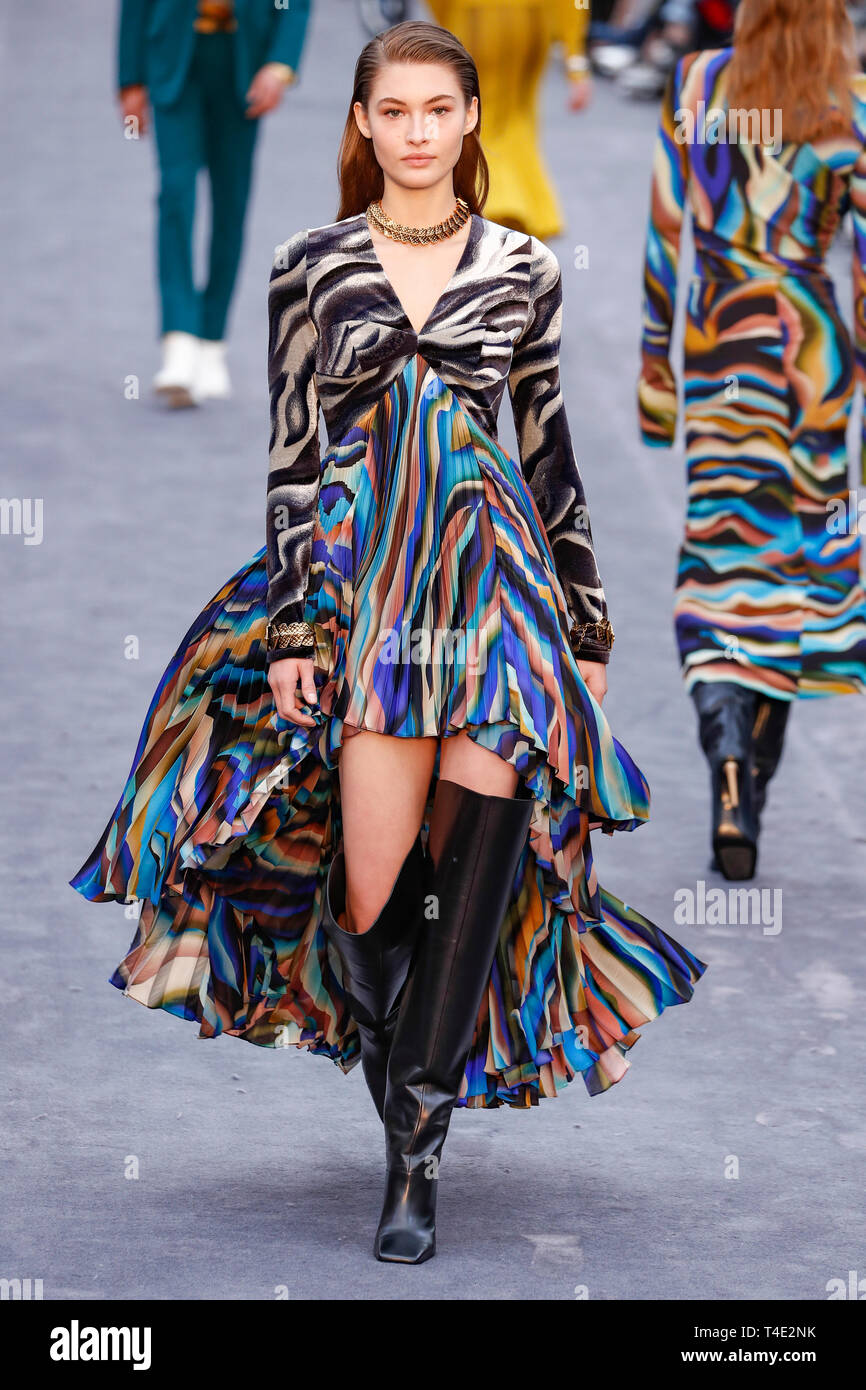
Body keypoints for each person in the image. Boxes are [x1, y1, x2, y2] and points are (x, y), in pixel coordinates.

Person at [73, 19, 706, 1267]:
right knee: (374, 900)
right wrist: (305, 620)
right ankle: (404, 1061)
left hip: (494, 593)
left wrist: (582, 624)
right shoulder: (312, 267)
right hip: (365, 600)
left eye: (437, 110)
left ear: (470, 120)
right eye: (394, 111)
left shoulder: (523, 268)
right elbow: (293, 461)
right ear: (362, 125)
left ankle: (413, 1145)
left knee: (467, 874)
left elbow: (547, 453)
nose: (417, 132)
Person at [639, 0, 866, 879]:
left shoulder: (698, 83)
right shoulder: (848, 103)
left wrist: (657, 371)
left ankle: (727, 753)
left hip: (720, 341)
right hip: (811, 359)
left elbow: (666, 239)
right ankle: (751, 785)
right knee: (797, 564)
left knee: (722, 554)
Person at [117, 0, 312, 406]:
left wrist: (280, 65)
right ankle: (179, 340)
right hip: (173, 55)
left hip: (243, 60)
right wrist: (130, 79)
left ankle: (211, 342)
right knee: (175, 193)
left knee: (231, 204)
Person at [426, 1, 593, 241]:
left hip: (472, 16)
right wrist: (576, 60)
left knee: (474, 115)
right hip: (531, 19)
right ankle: (519, 208)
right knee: (518, 118)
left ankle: (487, 204)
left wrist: (447, 24)